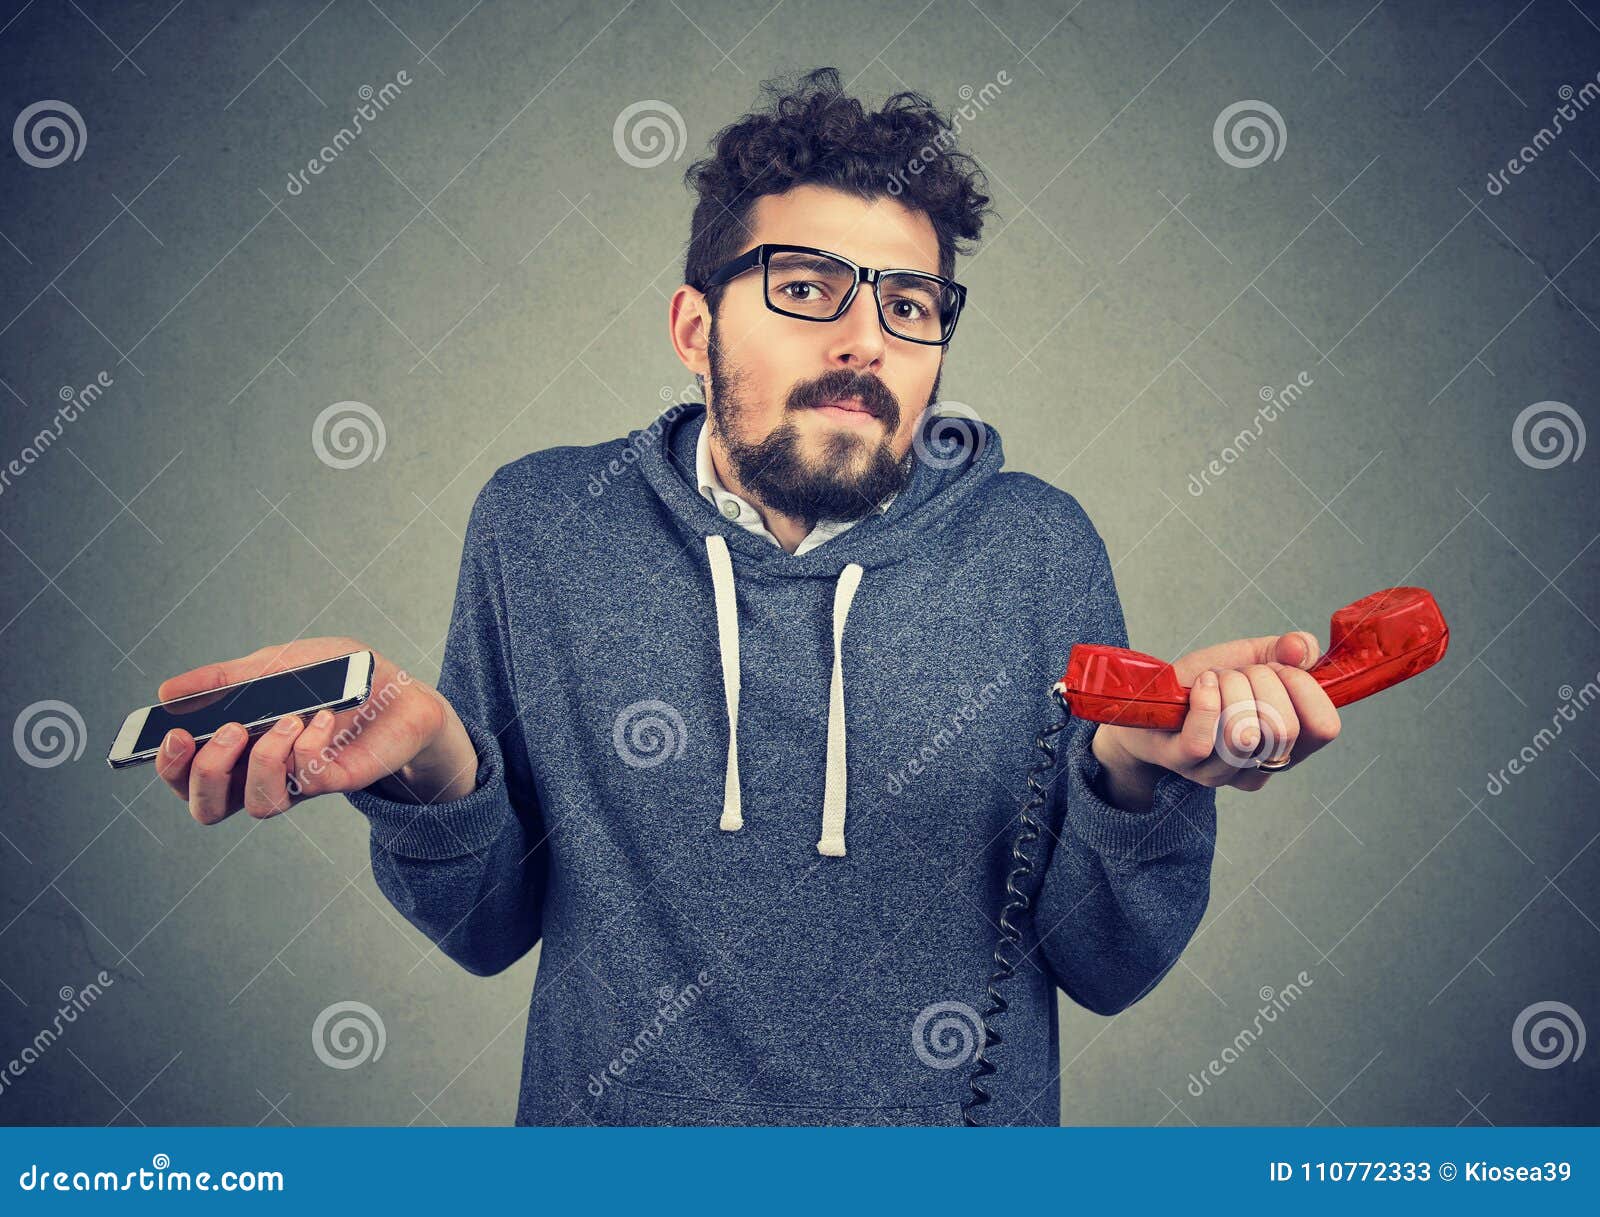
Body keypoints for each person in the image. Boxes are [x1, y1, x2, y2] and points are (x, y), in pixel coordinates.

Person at [153, 68, 1341, 1126]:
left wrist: (1139, 774)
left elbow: (1106, 963)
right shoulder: (541, 524)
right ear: (693, 323)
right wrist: (433, 767)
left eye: (909, 306)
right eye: (808, 287)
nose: (866, 340)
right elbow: (487, 927)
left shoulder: (1038, 548)